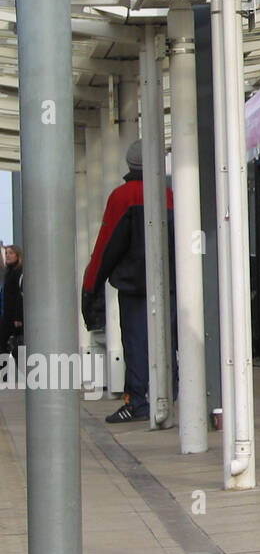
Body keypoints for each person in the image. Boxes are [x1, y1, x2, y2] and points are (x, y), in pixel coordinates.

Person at [82, 139, 175, 423]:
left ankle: (138, 403)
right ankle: (169, 396)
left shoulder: (123, 197)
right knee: (166, 342)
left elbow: (106, 247)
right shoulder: (170, 194)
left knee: (136, 343)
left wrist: (90, 288)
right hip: (170, 287)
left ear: (130, 164)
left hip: (134, 288)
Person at [0, 245, 23, 357]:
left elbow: (19, 296)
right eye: (6, 253)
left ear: (17, 256)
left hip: (13, 319)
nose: (8, 255)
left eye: (11, 253)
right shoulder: (8, 273)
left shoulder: (18, 272)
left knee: (13, 349)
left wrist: (18, 317)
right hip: (6, 317)